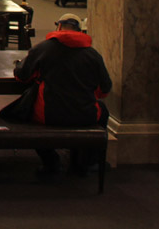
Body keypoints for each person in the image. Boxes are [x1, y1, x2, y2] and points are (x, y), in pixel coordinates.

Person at [10, 14, 111, 179]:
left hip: (48, 115)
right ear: (80, 31)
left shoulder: (43, 48)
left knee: (27, 114)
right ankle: (85, 163)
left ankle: (51, 163)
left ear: (58, 27)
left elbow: (22, 76)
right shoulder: (93, 55)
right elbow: (104, 90)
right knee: (103, 111)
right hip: (85, 115)